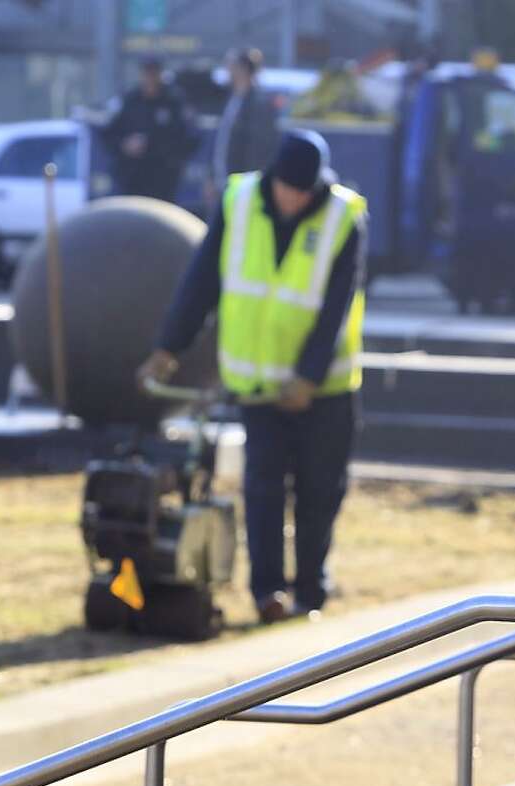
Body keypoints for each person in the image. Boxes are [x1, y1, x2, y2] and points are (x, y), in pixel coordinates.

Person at [137, 130, 368, 624]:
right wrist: (168, 347)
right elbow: (200, 280)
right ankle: (268, 593)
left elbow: (335, 306)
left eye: (304, 191)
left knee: (319, 491)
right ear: (273, 179)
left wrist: (307, 377)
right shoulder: (238, 202)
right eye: (288, 188)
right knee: (262, 490)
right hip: (259, 387)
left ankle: (311, 589)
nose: (295, 199)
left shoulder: (342, 216)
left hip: (324, 390)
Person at [100, 57, 199, 201]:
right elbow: (108, 134)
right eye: (147, 73)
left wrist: (171, 156)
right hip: (132, 179)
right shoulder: (129, 101)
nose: (150, 78)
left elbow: (191, 137)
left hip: (163, 180)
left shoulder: (174, 102)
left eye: (154, 73)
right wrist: (125, 144)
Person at [210, 48, 278, 203]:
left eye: (232, 65)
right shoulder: (230, 98)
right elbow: (221, 141)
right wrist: (212, 176)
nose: (228, 70)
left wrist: (248, 183)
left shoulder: (259, 104)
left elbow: (259, 149)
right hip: (223, 182)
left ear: (243, 69)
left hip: (243, 187)